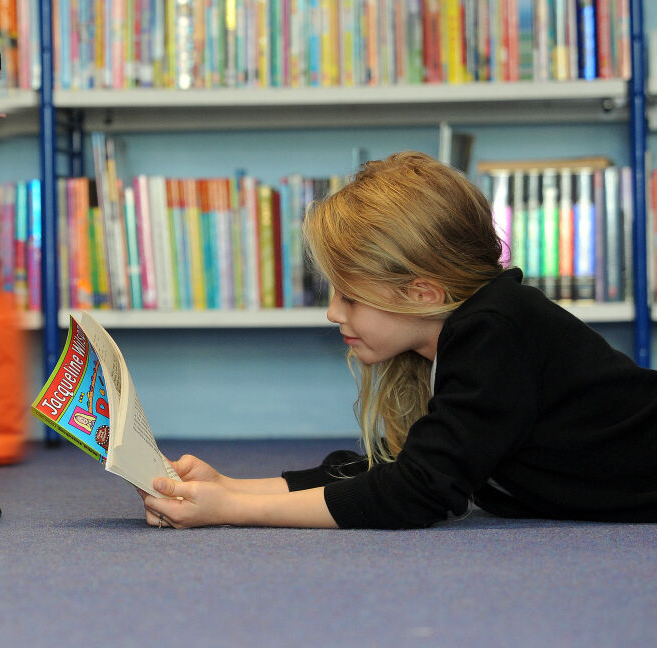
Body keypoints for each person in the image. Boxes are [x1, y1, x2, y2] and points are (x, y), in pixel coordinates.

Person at [140, 150, 657, 529]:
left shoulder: (495, 329)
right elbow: (397, 465)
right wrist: (227, 486)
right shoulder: (459, 334)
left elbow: (416, 492)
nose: (332, 313)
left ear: (422, 293)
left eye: (350, 297)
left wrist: (232, 510)